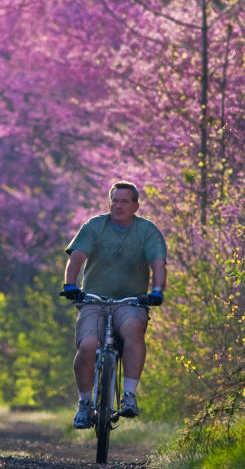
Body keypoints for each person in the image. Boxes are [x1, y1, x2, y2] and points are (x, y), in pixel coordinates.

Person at [60, 181, 166, 428]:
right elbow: (77, 256)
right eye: (114, 200)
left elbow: (158, 263)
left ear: (135, 206)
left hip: (131, 301)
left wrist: (157, 291)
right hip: (94, 300)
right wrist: (70, 285)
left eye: (124, 201)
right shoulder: (95, 226)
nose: (118, 206)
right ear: (109, 203)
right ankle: (84, 404)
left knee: (133, 331)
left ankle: (129, 395)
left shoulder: (147, 231)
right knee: (87, 345)